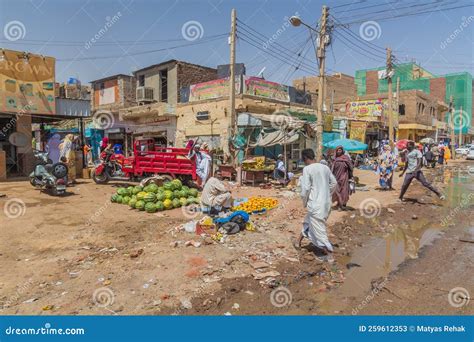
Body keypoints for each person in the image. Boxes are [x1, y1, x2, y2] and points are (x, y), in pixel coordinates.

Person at [294, 149, 338, 263]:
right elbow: (334, 183)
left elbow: (306, 189)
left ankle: (329, 254)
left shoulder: (307, 169)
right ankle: (298, 241)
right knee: (308, 222)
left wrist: (305, 201)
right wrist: (327, 194)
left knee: (319, 230)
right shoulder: (325, 167)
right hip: (325, 203)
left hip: (315, 204)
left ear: (304, 158)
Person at [331, 146, 354, 210]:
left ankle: (342, 205)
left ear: (342, 151)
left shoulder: (346, 158)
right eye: (338, 150)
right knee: (337, 191)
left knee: (344, 191)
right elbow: (332, 169)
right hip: (336, 177)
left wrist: (351, 174)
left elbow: (351, 167)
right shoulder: (334, 159)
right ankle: (339, 203)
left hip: (344, 177)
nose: (339, 151)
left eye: (340, 150)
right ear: (336, 151)